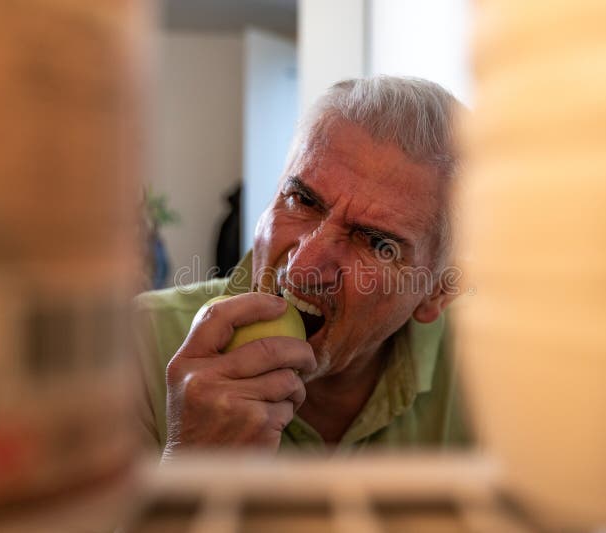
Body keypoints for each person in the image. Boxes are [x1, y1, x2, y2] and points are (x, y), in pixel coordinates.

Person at [135, 76, 471, 457]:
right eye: (302, 200)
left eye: (377, 243)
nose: (302, 267)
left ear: (437, 293)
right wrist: (189, 465)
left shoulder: (499, 381)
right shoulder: (136, 345)